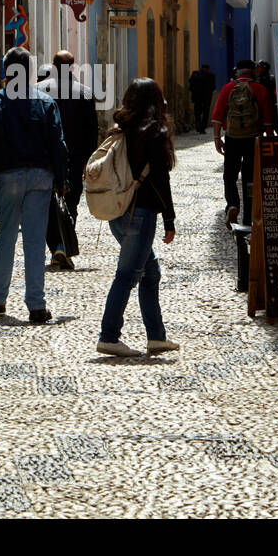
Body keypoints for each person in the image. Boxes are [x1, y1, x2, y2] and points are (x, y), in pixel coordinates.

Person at [0, 46, 68, 323]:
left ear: (6, 71)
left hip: (8, 176)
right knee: (35, 240)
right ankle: (36, 305)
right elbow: (58, 143)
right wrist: (62, 179)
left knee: (6, 236)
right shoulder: (45, 102)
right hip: (41, 176)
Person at [96, 78, 180, 357]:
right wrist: (169, 219)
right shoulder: (153, 132)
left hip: (118, 211)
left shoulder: (120, 129)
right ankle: (108, 336)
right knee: (128, 274)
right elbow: (160, 180)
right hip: (140, 213)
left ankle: (156, 337)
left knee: (150, 272)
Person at [36, 50, 99, 269]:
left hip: (44, 158)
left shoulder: (37, 91)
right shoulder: (85, 93)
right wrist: (88, 160)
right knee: (70, 202)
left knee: (45, 203)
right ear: (73, 68)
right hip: (74, 157)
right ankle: (63, 244)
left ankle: (57, 247)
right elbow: (92, 131)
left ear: (53, 66)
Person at [211, 59, 274, 227]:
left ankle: (232, 204)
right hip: (253, 139)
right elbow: (268, 122)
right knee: (250, 177)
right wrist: (267, 143)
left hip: (232, 139)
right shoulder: (260, 90)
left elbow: (217, 117)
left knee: (230, 175)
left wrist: (217, 138)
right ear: (253, 71)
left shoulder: (228, 88)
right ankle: (248, 216)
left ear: (237, 72)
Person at [187, 63, 217, 133]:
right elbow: (213, 87)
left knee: (197, 112)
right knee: (205, 113)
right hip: (207, 98)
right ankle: (202, 128)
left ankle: (198, 124)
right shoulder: (211, 76)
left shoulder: (195, 74)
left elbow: (190, 84)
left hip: (197, 97)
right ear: (208, 69)